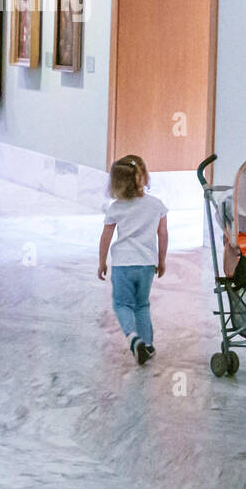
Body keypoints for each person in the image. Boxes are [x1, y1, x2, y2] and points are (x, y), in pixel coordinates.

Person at [97, 154, 168, 365]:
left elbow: (106, 237)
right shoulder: (156, 205)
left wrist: (102, 261)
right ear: (144, 176)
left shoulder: (116, 208)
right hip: (146, 264)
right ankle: (148, 344)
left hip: (122, 264)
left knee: (122, 304)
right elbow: (162, 234)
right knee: (142, 305)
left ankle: (133, 338)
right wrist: (161, 260)